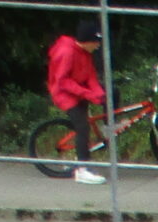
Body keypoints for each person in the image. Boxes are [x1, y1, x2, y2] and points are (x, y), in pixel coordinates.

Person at [46, 20, 108, 185]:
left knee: (111, 93)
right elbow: (63, 81)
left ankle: (109, 125)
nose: (98, 46)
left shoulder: (86, 53)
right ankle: (82, 170)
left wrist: (100, 94)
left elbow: (91, 77)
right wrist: (88, 94)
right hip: (64, 94)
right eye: (96, 42)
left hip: (79, 90)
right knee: (83, 127)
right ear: (87, 41)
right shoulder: (66, 53)